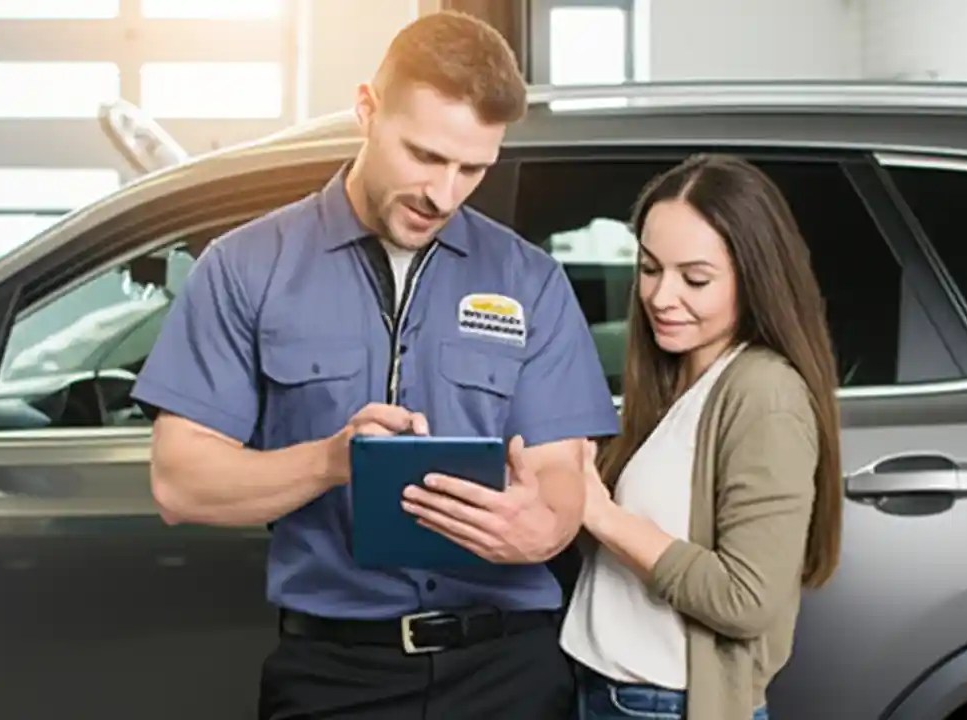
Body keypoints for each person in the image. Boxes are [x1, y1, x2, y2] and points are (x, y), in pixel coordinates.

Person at [131, 10, 619, 720]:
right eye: (424, 155)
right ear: (366, 110)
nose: (444, 194)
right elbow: (181, 482)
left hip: (506, 670)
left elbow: (560, 478)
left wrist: (538, 528)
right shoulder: (244, 269)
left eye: (472, 169)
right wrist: (331, 462)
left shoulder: (530, 279)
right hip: (335, 674)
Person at [558, 154, 844, 720]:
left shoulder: (764, 394)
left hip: (663, 707)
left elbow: (746, 599)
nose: (661, 297)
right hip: (608, 693)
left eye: (695, 279)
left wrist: (603, 515)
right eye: (648, 269)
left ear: (755, 277)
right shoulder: (675, 380)